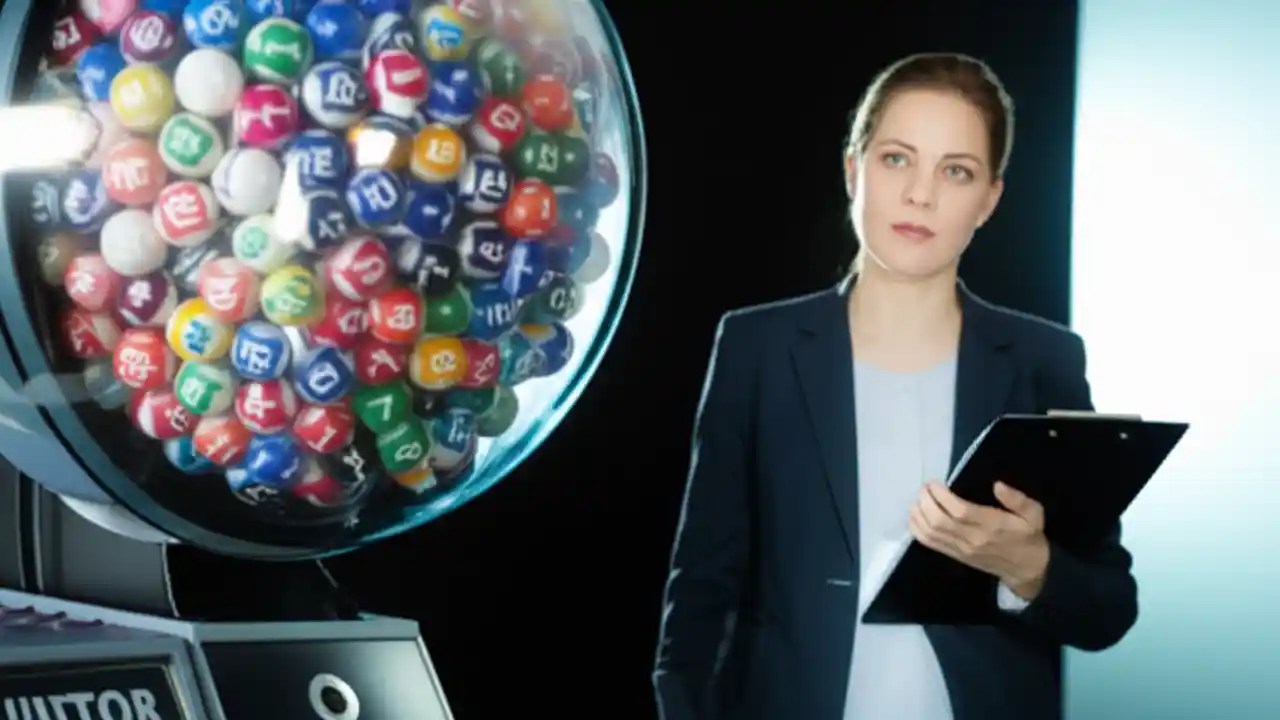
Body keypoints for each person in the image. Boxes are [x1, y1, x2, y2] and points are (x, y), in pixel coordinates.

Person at [651, 52, 1139, 720]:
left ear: (989, 199)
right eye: (897, 159)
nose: (921, 196)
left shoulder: (1043, 360)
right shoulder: (756, 348)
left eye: (956, 171)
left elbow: (1109, 607)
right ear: (854, 168)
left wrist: (1030, 567)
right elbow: (700, 596)